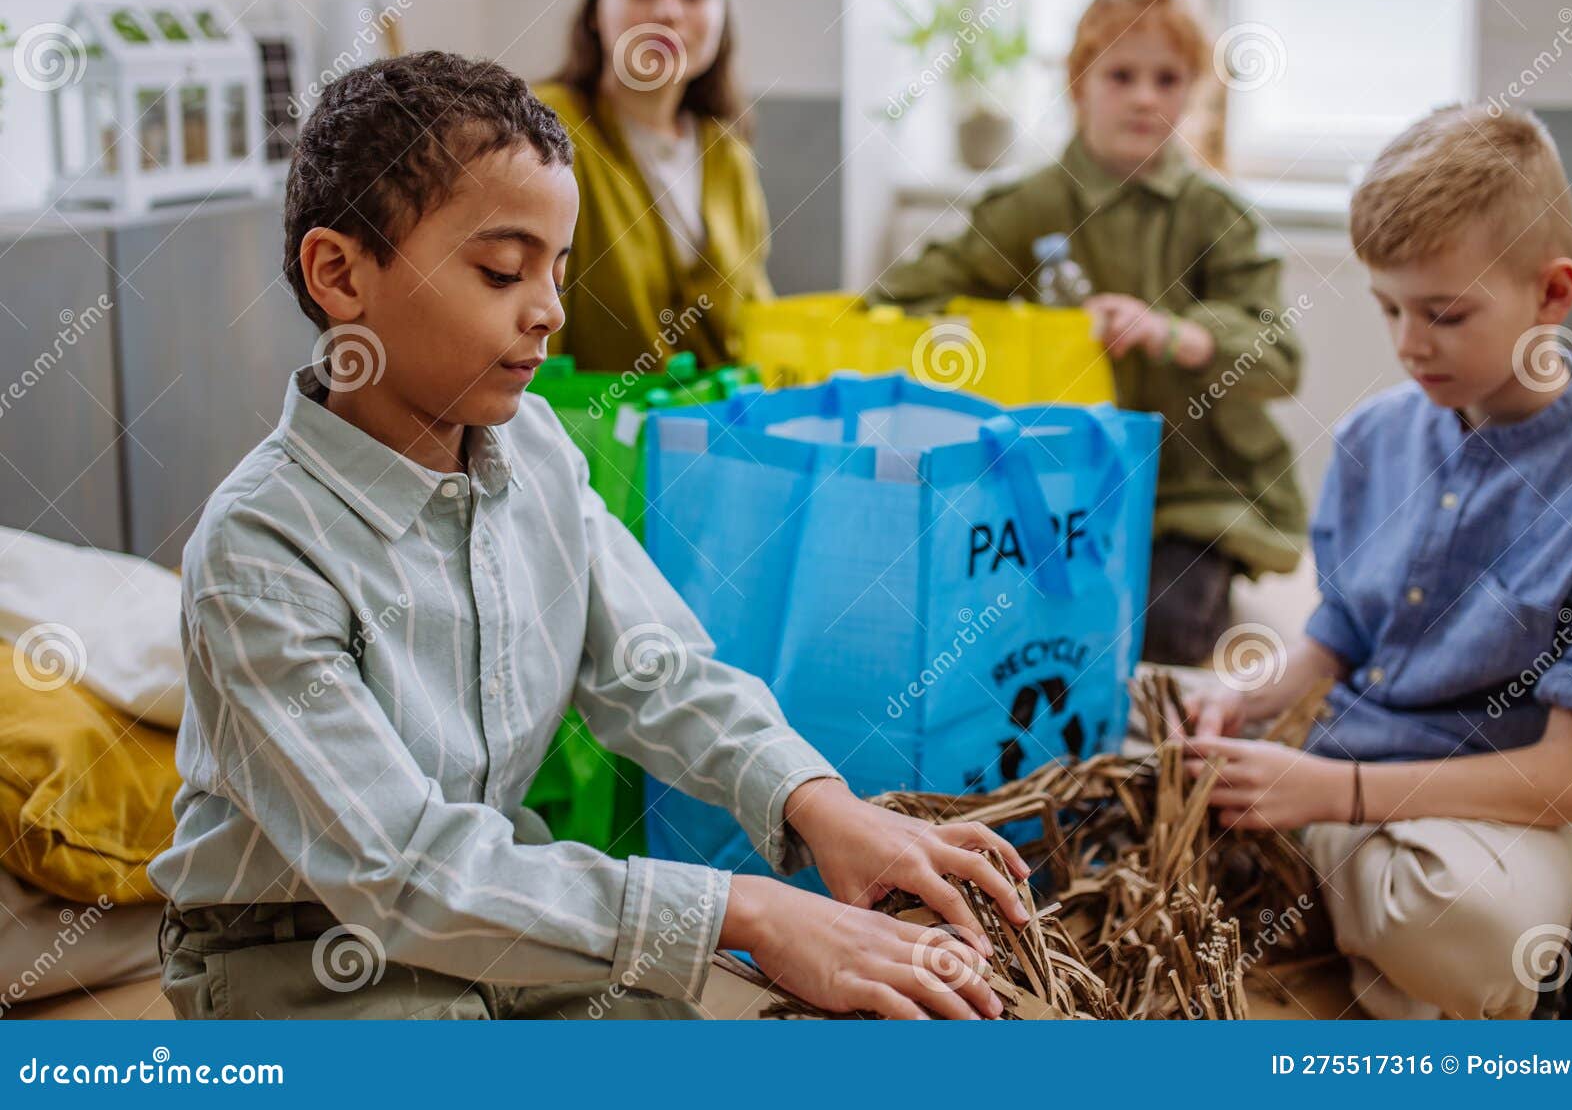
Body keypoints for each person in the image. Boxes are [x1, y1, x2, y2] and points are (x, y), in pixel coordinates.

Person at [150, 51, 1033, 1021]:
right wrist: (751, 911)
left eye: (558, 270)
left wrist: (817, 803)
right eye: (501, 270)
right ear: (340, 274)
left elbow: (649, 670)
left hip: (499, 894)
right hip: (302, 954)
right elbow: (400, 870)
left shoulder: (534, 447)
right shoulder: (258, 551)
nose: (550, 311)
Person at [1182, 104, 1572, 1019]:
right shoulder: (1376, 435)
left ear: (1553, 295)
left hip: (1500, 802)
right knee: (1153, 716)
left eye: (1446, 315)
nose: (1410, 344)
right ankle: (1330, 877)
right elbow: (1336, 637)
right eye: (1389, 309)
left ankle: (1309, 863)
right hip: (1351, 757)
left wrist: (1331, 792)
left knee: (1475, 930)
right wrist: (1249, 700)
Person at [872, 0, 1305, 666]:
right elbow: (901, 297)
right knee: (1007, 625)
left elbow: (1280, 357)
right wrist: (1030, 332)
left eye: (1167, 79)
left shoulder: (1219, 214)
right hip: (1046, 482)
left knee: (1163, 633)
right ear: (1078, 86)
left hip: (1189, 492)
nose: (1144, 98)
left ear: (1193, 93)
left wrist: (1177, 333)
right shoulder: (1027, 204)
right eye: (1121, 75)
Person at [535, 0, 772, 373]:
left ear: (721, 19)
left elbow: (756, 323)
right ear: (594, 11)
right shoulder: (540, 128)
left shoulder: (728, 155)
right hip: (583, 432)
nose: (667, 10)